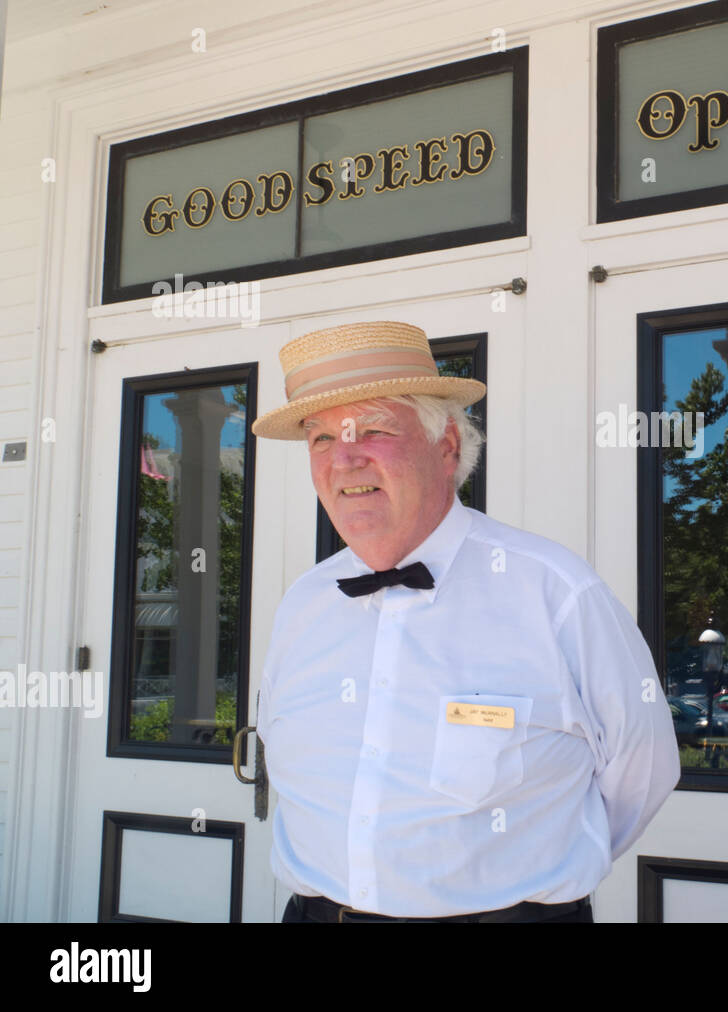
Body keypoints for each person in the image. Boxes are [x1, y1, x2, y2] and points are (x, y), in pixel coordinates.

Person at [250, 320, 680, 922]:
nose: (343, 460)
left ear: (447, 446)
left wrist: (531, 874)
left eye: (372, 429)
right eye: (321, 439)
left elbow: (645, 766)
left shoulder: (555, 591)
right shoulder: (303, 603)